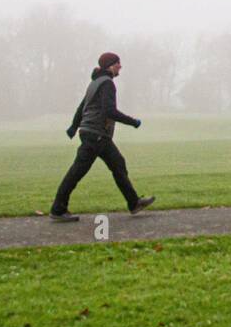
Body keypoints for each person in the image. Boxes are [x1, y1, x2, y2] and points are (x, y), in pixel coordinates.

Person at [49, 52, 154, 221]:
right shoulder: (107, 84)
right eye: (118, 63)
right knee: (77, 172)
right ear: (111, 65)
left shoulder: (95, 83)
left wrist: (74, 127)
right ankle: (58, 209)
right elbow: (109, 111)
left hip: (92, 134)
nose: (121, 66)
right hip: (96, 135)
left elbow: (81, 108)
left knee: (118, 164)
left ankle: (134, 203)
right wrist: (133, 122)